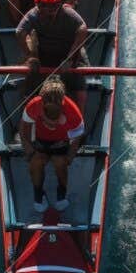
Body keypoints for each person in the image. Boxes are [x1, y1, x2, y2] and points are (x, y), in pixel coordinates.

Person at [17, 0, 89, 111]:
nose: (48, 11)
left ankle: (80, 121)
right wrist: (30, 57)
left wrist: (70, 57)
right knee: (30, 81)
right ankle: (28, 114)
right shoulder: (33, 15)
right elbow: (20, 32)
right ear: (38, 6)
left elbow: (82, 29)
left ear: (59, 5)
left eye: (53, 7)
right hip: (46, 55)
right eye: (43, 7)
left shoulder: (68, 13)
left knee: (78, 81)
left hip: (70, 54)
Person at [20, 73, 85, 212]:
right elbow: (23, 131)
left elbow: (77, 138)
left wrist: (69, 158)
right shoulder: (33, 105)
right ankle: (38, 193)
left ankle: (62, 192)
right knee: (36, 162)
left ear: (62, 104)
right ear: (42, 102)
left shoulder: (74, 113)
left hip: (61, 143)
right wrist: (30, 152)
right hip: (40, 142)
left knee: (59, 162)